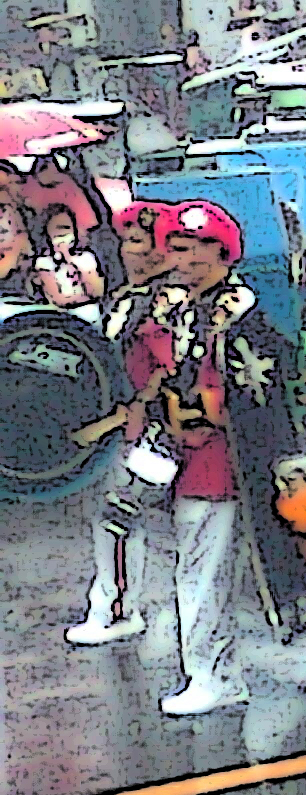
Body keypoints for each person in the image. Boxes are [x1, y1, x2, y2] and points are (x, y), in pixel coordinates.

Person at [150, 200, 306, 715]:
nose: (183, 258)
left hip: (225, 464)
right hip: (190, 458)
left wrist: (195, 411)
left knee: (204, 573)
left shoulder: (243, 316)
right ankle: (225, 666)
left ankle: (211, 673)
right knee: (209, 571)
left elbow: (253, 393)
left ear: (223, 252)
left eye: (196, 248)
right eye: (177, 247)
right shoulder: (181, 307)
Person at [64, 202, 177, 646]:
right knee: (120, 516)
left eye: (141, 242)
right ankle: (113, 606)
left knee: (120, 514)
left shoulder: (164, 304)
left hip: (157, 432)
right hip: (130, 430)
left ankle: (116, 610)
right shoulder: (130, 296)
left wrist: (135, 410)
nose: (133, 252)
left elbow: (169, 369)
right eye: (128, 241)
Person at [31, 203, 104, 322]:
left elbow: (95, 291)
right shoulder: (44, 263)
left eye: (66, 228)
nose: (62, 235)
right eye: (56, 230)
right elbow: (57, 299)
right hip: (62, 318)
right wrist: (83, 297)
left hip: (92, 315)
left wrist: (70, 259)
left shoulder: (86, 257)